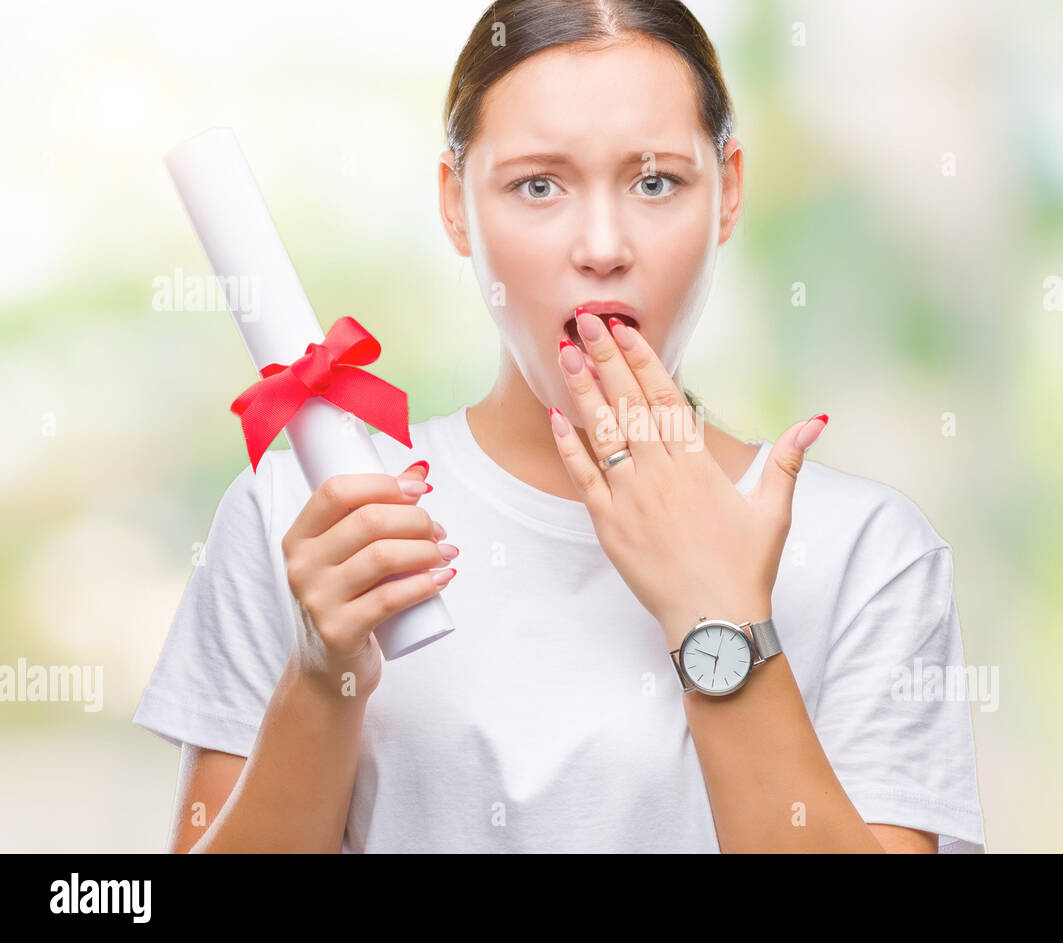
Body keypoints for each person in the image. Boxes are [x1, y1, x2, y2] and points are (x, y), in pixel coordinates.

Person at [132, 0, 986, 853]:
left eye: (656, 182)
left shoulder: (868, 552)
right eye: (538, 185)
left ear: (728, 193)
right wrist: (322, 676)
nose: (603, 246)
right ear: (456, 206)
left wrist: (717, 618)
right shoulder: (313, 516)